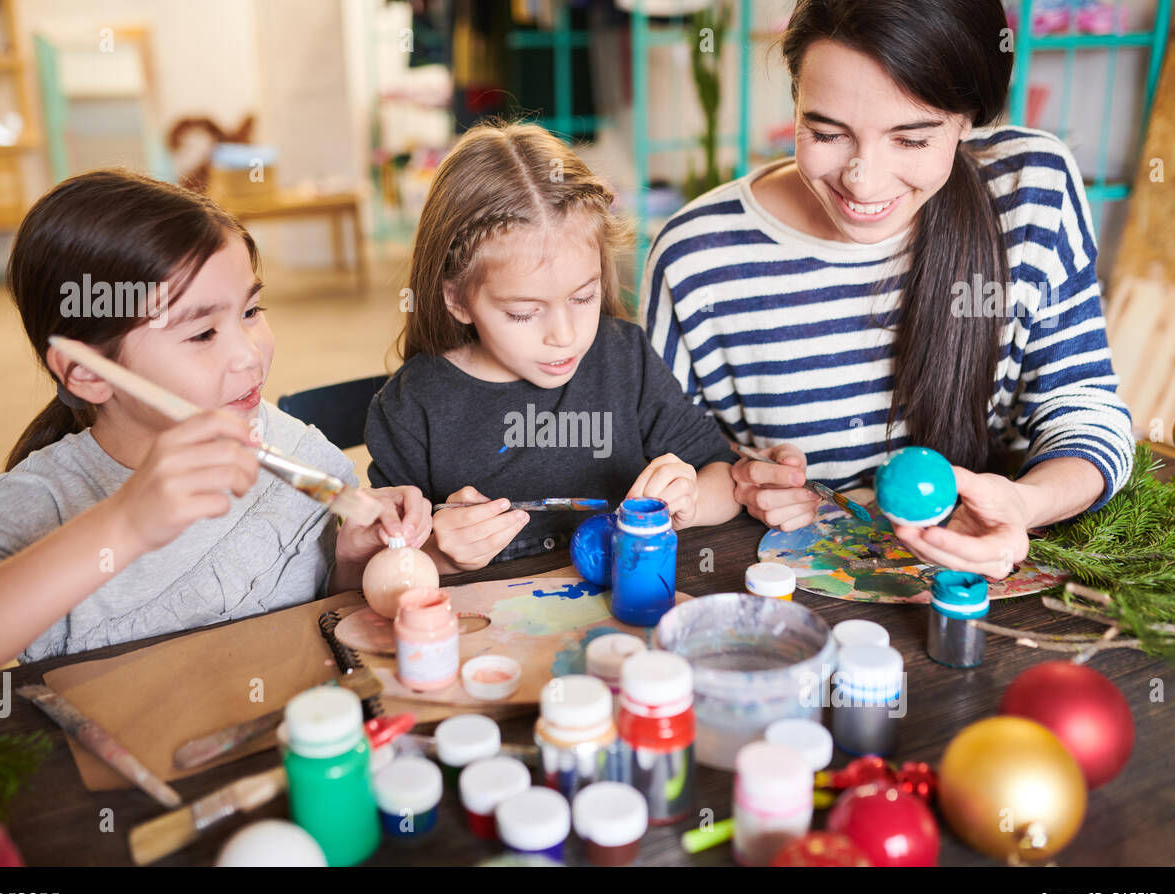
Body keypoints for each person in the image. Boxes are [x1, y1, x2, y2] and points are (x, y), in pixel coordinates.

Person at [642, 0, 1134, 579]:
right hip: (778, 589)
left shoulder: (1029, 191)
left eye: (913, 140)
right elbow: (667, 467)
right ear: (795, 98)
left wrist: (1024, 503)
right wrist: (742, 479)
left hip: (972, 580)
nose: (864, 181)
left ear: (969, 118)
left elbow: (1082, 406)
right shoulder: (696, 255)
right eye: (826, 132)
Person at [0, 170, 430, 674]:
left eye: (251, 311)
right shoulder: (32, 507)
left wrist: (352, 564)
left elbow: (320, 617)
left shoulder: (300, 454)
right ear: (89, 373)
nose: (249, 356)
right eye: (202, 333)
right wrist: (126, 523)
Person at [366, 121, 741, 572]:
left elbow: (725, 476)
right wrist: (437, 553)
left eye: (584, 297)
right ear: (457, 299)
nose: (564, 335)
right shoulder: (411, 408)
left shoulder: (624, 359)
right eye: (524, 312)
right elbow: (373, 565)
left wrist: (692, 500)